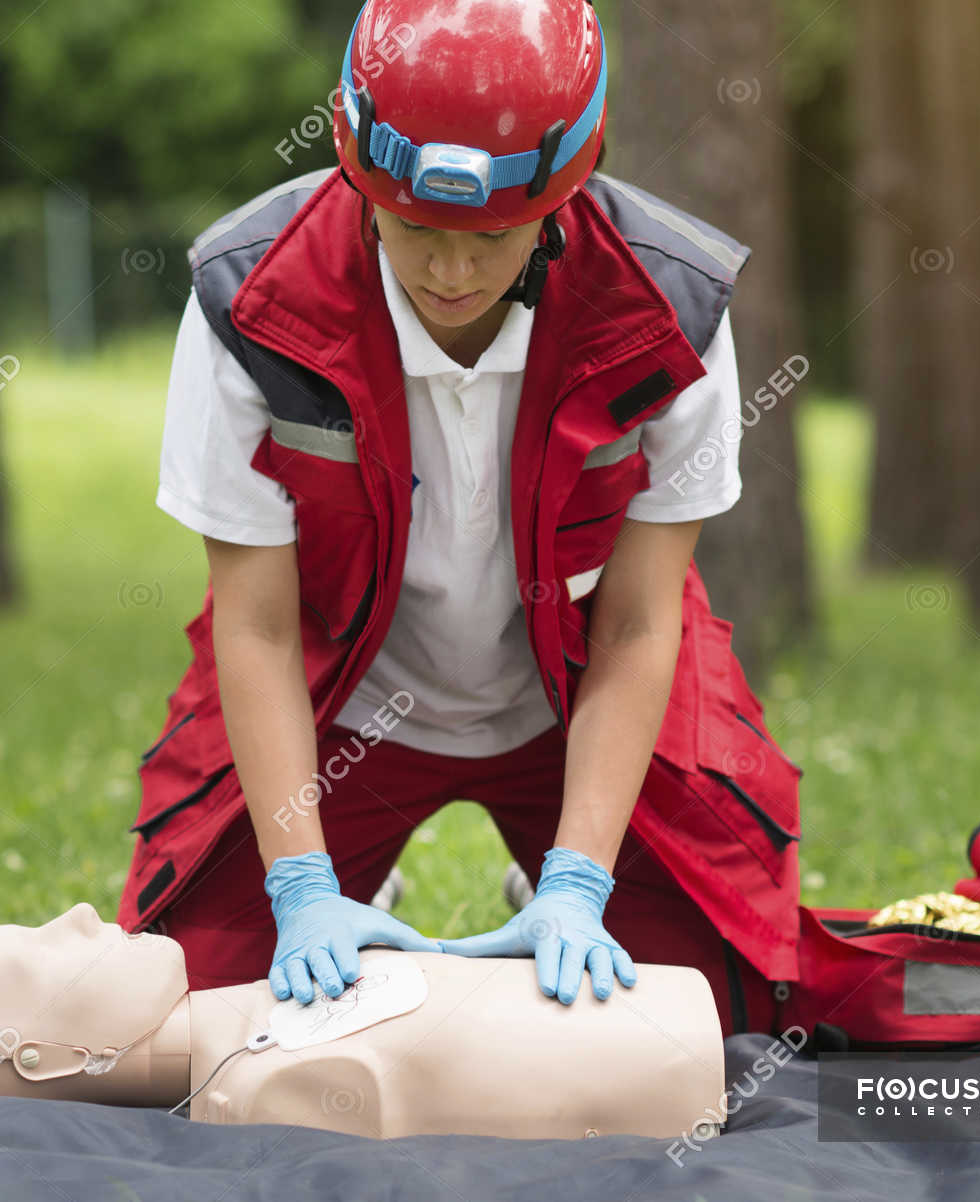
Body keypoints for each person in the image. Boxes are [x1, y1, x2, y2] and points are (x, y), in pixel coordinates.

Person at [118, 0, 802, 1037]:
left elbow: (638, 622)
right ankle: (355, 885)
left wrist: (582, 878)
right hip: (336, 703)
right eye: (416, 230)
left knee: (716, 1011)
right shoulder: (248, 297)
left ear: (563, 194)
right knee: (196, 1003)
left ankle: (543, 884)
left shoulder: (674, 304)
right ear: (360, 178)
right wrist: (298, 884)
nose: (451, 273)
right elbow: (254, 626)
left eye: (490, 236)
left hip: (576, 694)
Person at [0, 903, 725, 1139]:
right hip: (677, 1067)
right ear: (39, 1061)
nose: (76, 914)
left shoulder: (254, 1028)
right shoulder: (269, 1084)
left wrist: (575, 882)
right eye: (35, 955)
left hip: (666, 1019)